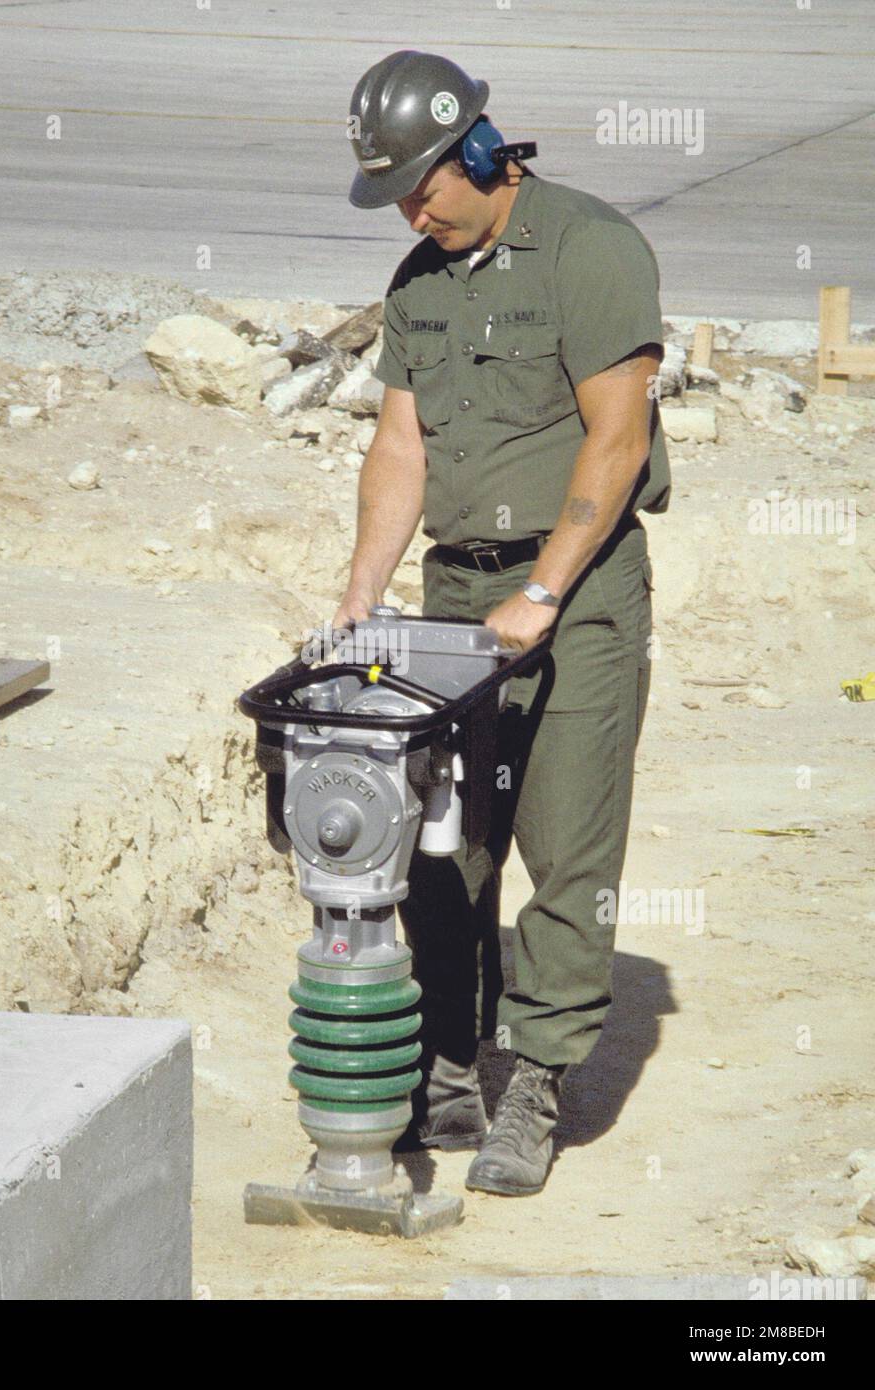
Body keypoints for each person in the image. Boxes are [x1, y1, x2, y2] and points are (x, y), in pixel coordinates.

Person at [331, 50, 669, 1196]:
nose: (412, 210)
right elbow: (399, 447)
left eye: (423, 184)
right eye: (395, 196)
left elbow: (613, 442)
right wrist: (361, 594)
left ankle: (535, 1074)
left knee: (565, 840)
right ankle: (445, 1063)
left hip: (575, 588)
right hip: (455, 589)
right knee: (442, 837)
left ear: (478, 148)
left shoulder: (589, 249)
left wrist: (542, 592)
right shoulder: (417, 284)